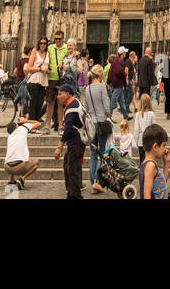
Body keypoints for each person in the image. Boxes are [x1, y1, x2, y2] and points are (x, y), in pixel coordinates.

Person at [53, 79, 84, 200]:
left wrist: (59, 147)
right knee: (69, 166)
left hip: (75, 143)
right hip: (77, 142)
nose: (58, 97)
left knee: (72, 171)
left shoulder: (71, 108)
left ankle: (75, 195)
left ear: (67, 94)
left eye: (60, 94)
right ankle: (71, 193)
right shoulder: (75, 102)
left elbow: (68, 130)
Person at [85, 64, 111, 192]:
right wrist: (108, 114)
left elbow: (86, 107)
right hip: (101, 122)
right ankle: (97, 180)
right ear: (100, 74)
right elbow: (106, 106)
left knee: (93, 153)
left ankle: (93, 181)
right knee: (103, 151)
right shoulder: (102, 87)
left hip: (91, 123)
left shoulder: (87, 88)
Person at [4, 115, 41, 190]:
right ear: (17, 126)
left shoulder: (10, 135)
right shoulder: (23, 127)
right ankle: (22, 179)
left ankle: (11, 181)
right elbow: (38, 124)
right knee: (36, 162)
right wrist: (25, 121)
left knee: (12, 156)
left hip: (7, 167)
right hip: (20, 166)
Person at [140, 122, 169, 199]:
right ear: (155, 146)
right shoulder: (150, 166)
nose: (165, 149)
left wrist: (166, 162)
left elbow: (163, 183)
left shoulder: (151, 164)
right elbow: (147, 195)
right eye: (164, 145)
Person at [46, 30, 68, 133]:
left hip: (61, 78)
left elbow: (72, 57)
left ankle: (60, 126)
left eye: (59, 39)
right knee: (50, 102)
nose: (57, 41)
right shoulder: (50, 48)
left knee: (60, 103)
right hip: (51, 78)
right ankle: (47, 125)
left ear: (63, 39)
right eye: (56, 39)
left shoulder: (66, 48)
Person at [107, 46, 130, 119]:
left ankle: (126, 116)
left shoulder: (116, 60)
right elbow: (118, 72)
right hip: (118, 83)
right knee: (113, 100)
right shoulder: (119, 60)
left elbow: (111, 71)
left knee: (121, 101)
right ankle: (109, 116)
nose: (125, 54)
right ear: (122, 53)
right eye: (125, 52)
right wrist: (125, 74)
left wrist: (108, 81)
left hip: (117, 83)